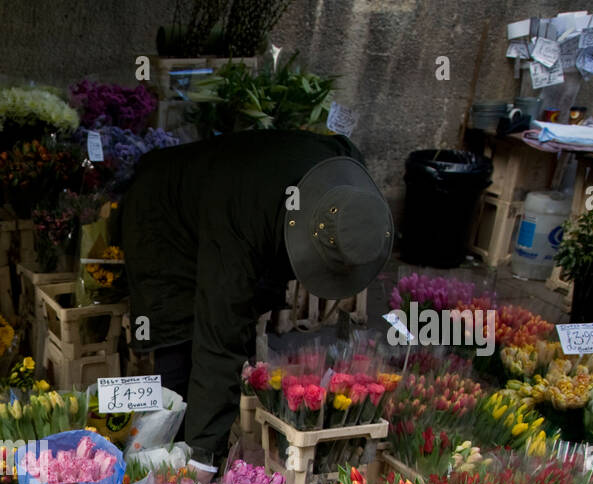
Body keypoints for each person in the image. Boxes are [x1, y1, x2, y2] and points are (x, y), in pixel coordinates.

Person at [119, 129, 394, 462]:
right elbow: (219, 341)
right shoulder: (241, 225)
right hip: (162, 211)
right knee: (177, 340)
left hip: (228, 192)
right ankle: (159, 453)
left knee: (230, 326)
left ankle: (202, 432)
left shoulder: (347, 177)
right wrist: (203, 458)